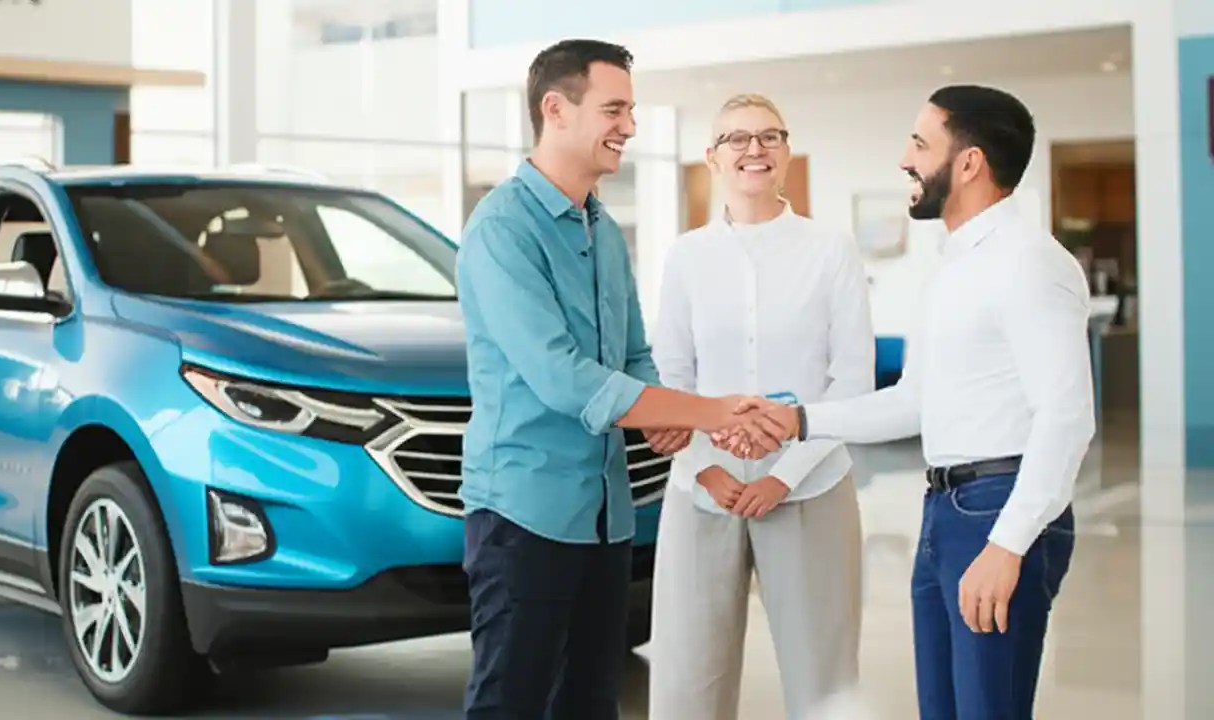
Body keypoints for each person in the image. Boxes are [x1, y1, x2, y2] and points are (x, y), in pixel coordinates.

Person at [717, 85, 1096, 720]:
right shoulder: (954, 267)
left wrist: (1006, 545)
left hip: (995, 511)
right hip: (946, 511)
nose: (905, 160)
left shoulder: (1029, 262)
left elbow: (1067, 416)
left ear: (969, 162)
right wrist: (798, 419)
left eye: (921, 143)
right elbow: (914, 401)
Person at [454, 39, 783, 720]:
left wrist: (664, 408)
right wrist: (706, 412)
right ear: (556, 109)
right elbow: (562, 378)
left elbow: (633, 352)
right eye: (615, 108)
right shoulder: (501, 230)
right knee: (509, 704)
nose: (629, 126)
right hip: (523, 515)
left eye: (630, 110)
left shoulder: (603, 228)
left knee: (591, 703)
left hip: (605, 518)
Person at [648, 93, 874, 720]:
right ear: (711, 157)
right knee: (688, 680)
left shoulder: (831, 250)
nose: (755, 149)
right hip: (701, 489)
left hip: (810, 486)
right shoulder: (687, 256)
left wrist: (782, 476)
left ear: (787, 150)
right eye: (738, 139)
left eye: (769, 137)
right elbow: (673, 377)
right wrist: (706, 468)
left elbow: (850, 380)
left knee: (822, 679)